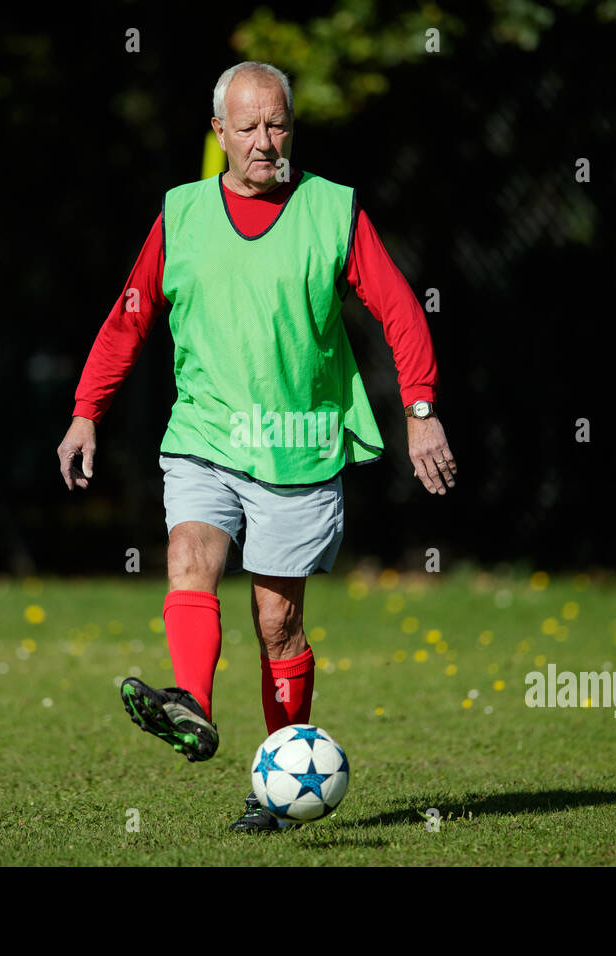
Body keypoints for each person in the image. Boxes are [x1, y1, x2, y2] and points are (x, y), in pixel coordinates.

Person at [57, 61, 456, 831]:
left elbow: (400, 309)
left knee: (277, 623)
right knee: (189, 560)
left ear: (291, 127)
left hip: (301, 447)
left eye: (277, 125)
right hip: (205, 434)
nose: (264, 142)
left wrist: (421, 408)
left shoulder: (332, 210)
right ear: (219, 133)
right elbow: (129, 317)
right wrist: (86, 411)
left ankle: (277, 789)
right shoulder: (181, 214)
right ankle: (191, 706)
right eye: (247, 128)